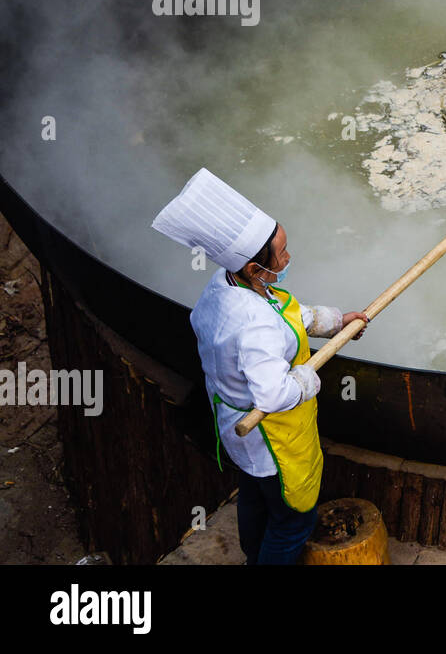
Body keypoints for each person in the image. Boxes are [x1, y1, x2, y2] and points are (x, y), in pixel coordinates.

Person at [152, 168, 368, 564]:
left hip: (237, 434)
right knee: (292, 522)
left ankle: (253, 554)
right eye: (282, 254)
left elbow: (289, 314)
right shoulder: (255, 326)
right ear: (255, 268)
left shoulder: (224, 285)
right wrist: (307, 377)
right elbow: (273, 393)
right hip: (272, 439)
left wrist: (337, 322)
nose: (288, 258)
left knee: (253, 494)